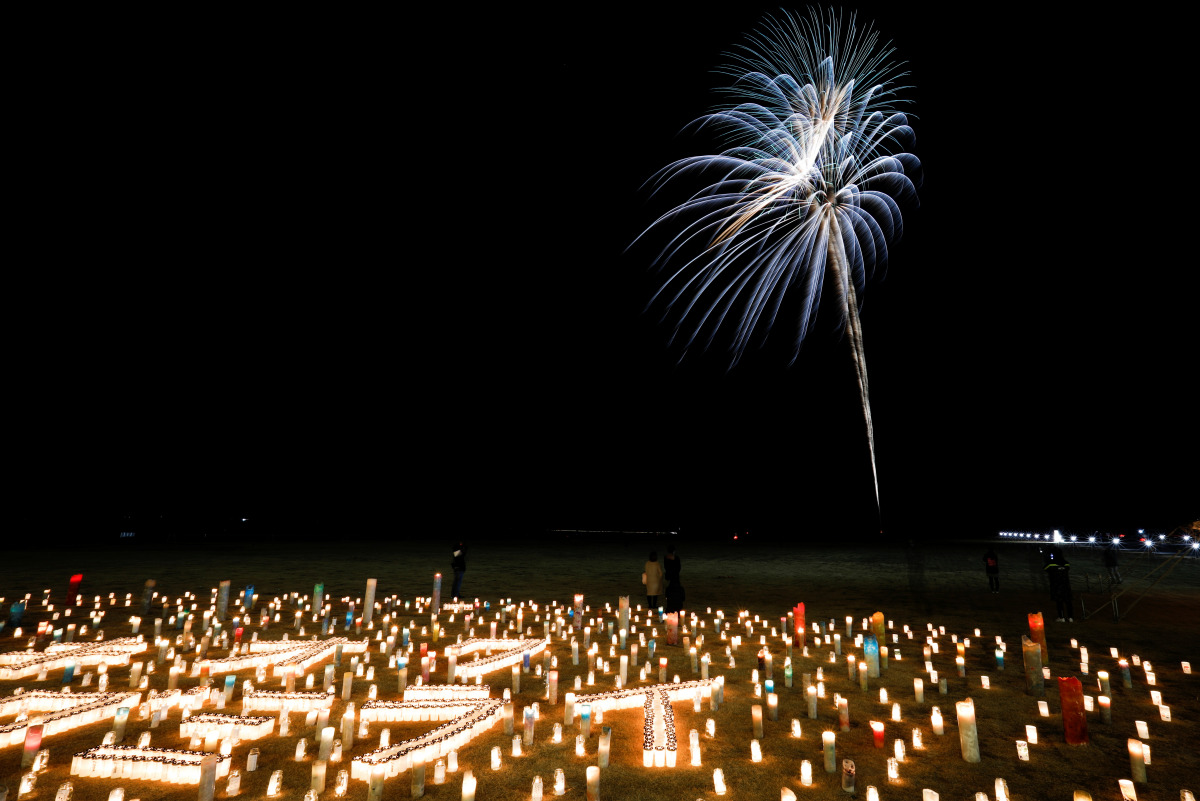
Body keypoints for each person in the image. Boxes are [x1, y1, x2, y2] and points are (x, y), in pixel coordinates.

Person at [1044, 550, 1074, 622]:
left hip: (1056, 585)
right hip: (1066, 584)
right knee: (1068, 601)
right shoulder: (1066, 563)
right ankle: (1070, 617)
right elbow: (1067, 569)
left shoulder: (1051, 564)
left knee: (1059, 601)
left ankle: (1061, 617)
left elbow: (1045, 568)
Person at [664, 544, 685, 613]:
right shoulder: (676, 558)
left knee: (670, 587)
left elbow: (666, 566)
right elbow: (679, 567)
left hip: (669, 575)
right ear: (674, 551)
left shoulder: (666, 558)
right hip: (675, 575)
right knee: (675, 586)